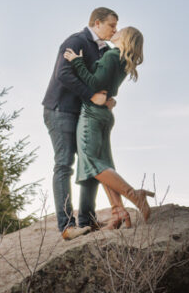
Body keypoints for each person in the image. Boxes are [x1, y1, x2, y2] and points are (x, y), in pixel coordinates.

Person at [64, 25, 152, 228]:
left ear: (125, 37)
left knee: (93, 165)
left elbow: (94, 84)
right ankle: (118, 212)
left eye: (120, 30)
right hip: (104, 115)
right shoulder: (122, 60)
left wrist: (76, 62)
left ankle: (134, 196)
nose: (116, 31)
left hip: (91, 115)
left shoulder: (113, 56)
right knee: (103, 164)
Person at [42, 7, 118, 240]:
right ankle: (67, 226)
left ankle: (87, 221)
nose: (115, 30)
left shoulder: (104, 49)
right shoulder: (77, 40)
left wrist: (108, 98)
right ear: (97, 23)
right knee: (64, 164)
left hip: (83, 114)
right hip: (60, 110)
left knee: (89, 164)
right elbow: (64, 74)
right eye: (111, 25)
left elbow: (96, 79)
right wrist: (91, 95)